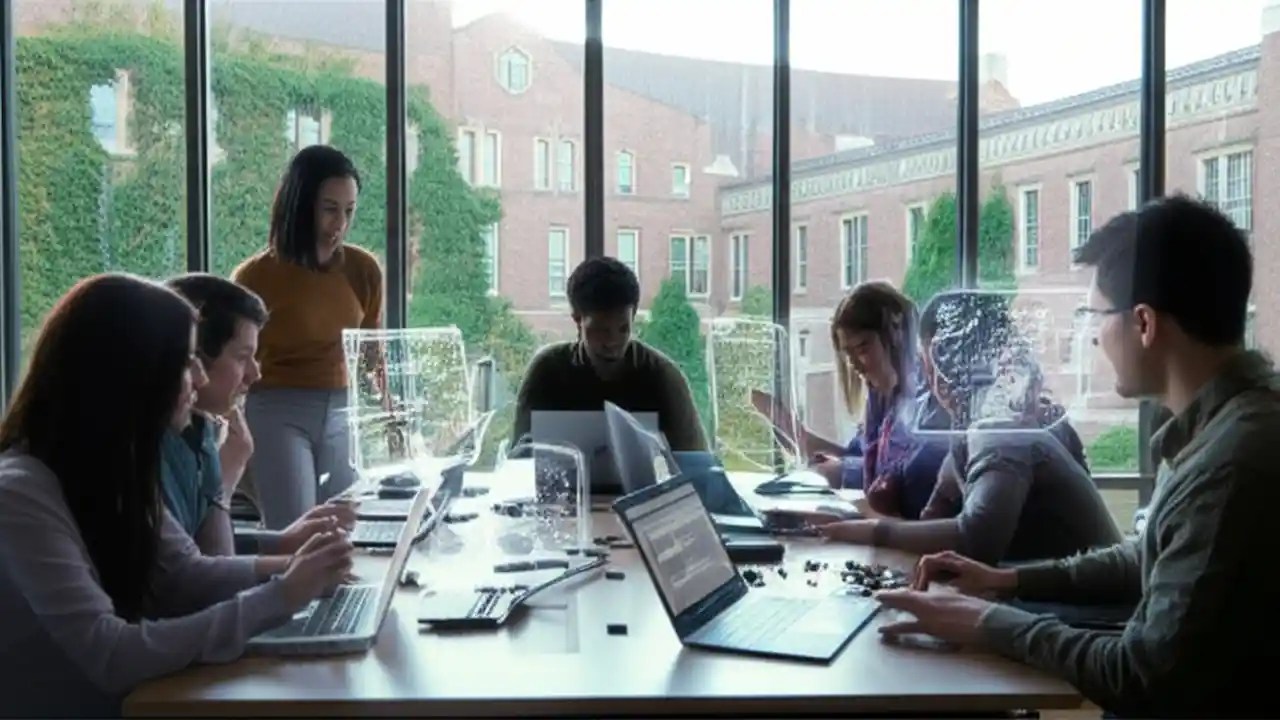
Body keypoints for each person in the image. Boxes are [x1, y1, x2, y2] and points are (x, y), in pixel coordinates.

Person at [877, 196, 1280, 717]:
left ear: (1143, 324)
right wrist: (1011, 581)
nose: (1093, 334)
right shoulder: (1221, 426)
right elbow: (1149, 555)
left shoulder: (1232, 463)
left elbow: (1144, 675)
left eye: (1096, 314)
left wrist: (987, 623)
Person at [0, 274, 354, 717]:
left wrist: (302, 572)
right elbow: (111, 654)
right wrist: (282, 594)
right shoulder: (20, 492)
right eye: (187, 361)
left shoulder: (109, 466)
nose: (200, 376)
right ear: (132, 372)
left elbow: (182, 574)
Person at [811, 290, 1121, 565]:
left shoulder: (1001, 430)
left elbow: (975, 539)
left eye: (931, 363)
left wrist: (869, 527)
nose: (931, 380)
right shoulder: (971, 433)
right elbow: (935, 514)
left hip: (1088, 609)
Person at [233, 145, 383, 529]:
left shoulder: (363, 270)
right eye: (330, 209)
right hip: (277, 409)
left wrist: (396, 425)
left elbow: (373, 359)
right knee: (293, 530)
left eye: (350, 210)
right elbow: (235, 364)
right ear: (302, 206)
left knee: (342, 530)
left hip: (342, 410)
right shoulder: (254, 278)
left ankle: (343, 593)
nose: (340, 224)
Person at [160, 273, 357, 557]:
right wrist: (223, 489)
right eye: (242, 357)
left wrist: (285, 542)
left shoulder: (200, 434)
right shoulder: (152, 450)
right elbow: (194, 578)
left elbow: (191, 549)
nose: (256, 374)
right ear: (194, 356)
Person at [753, 281, 947, 518]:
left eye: (863, 348)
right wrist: (793, 433)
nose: (854, 364)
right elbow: (859, 456)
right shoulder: (879, 397)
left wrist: (843, 471)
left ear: (895, 332)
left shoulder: (930, 397)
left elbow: (907, 474)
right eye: (848, 354)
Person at [511, 257, 706, 451]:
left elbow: (696, 464)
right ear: (577, 320)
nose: (612, 342)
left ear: (634, 316)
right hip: (563, 482)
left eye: (623, 329)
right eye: (601, 330)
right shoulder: (548, 371)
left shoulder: (662, 377)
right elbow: (519, 457)